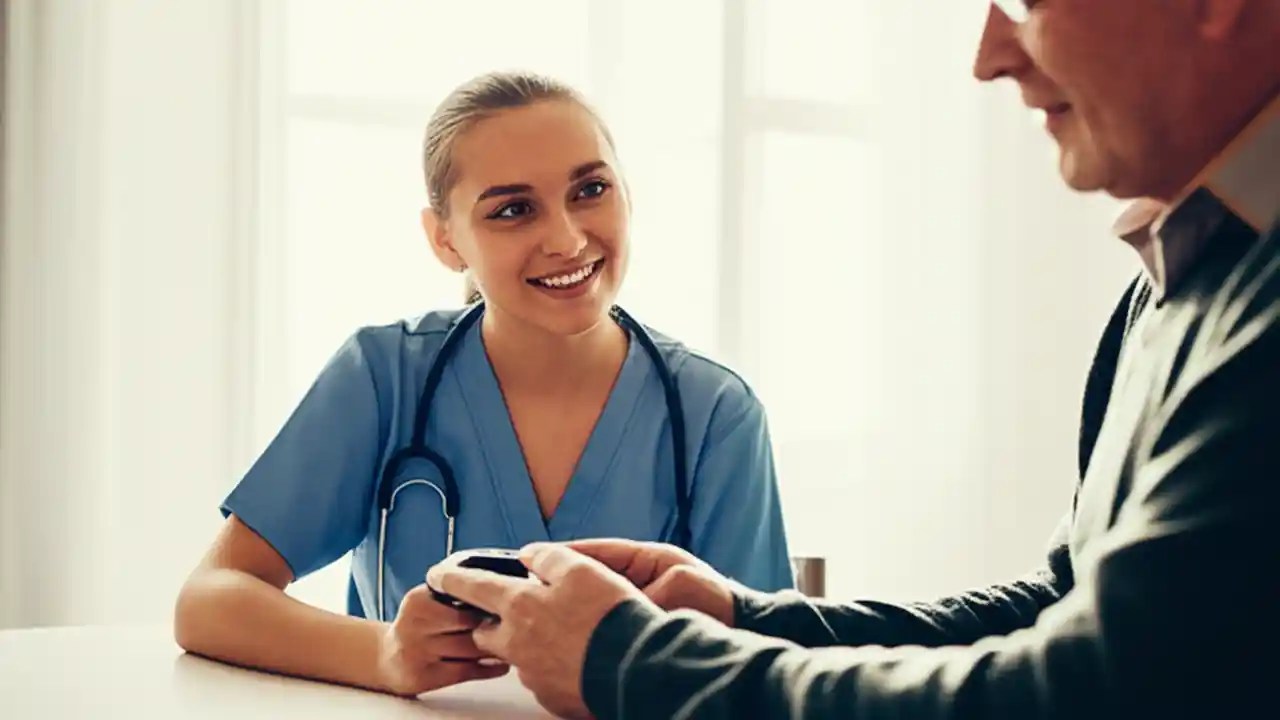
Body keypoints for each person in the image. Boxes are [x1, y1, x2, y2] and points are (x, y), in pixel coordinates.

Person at [429, 2, 1280, 718]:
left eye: (1030, 1)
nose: (990, 56)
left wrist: (636, 662)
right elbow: (1061, 610)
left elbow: (1090, 692)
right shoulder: (1178, 277)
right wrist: (743, 618)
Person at [172, 71, 794, 698]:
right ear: (446, 239)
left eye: (591, 189)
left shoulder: (714, 413)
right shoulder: (383, 378)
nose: (567, 238)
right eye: (513, 210)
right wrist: (385, 652)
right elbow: (209, 599)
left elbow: (767, 666)